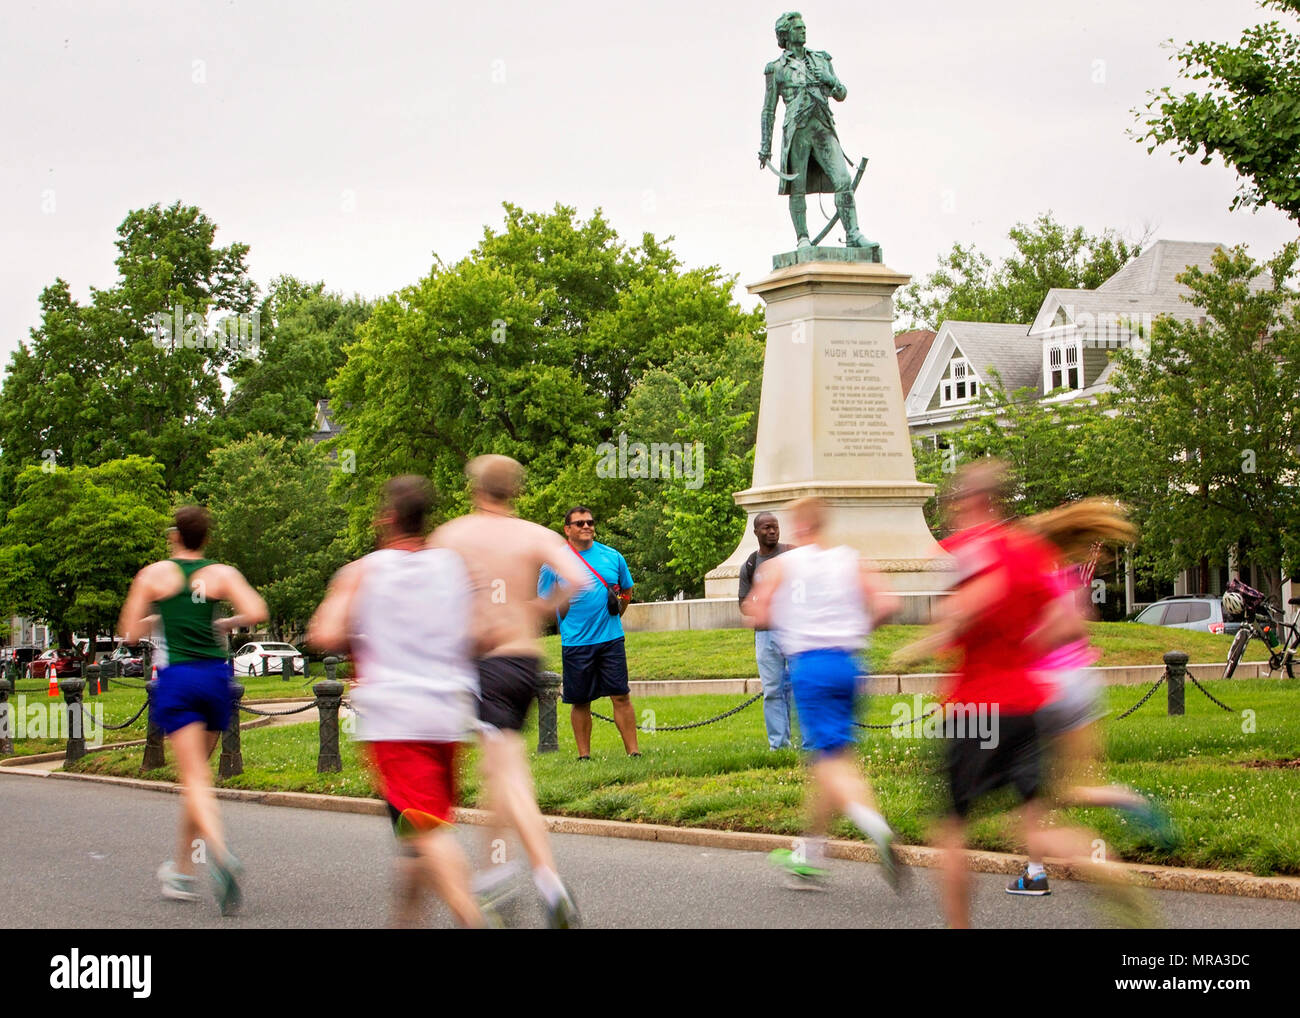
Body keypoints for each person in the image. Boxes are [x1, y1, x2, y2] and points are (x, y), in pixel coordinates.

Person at [894, 462, 1146, 928]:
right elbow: (1070, 623)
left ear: (972, 502)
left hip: (976, 711)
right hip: (1031, 707)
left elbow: (971, 605)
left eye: (955, 503)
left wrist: (929, 639)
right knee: (1030, 824)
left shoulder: (976, 548)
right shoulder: (1030, 552)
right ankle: (1103, 866)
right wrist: (1026, 645)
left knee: (949, 833)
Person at [307, 475, 485, 928]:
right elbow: (477, 631)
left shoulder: (363, 571)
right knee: (413, 834)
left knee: (425, 829)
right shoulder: (453, 566)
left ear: (387, 518)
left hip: (394, 719)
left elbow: (323, 634)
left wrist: (360, 626)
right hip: (449, 715)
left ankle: (474, 917)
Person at [430, 455, 591, 928]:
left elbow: (433, 597)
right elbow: (579, 579)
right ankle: (494, 872)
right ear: (514, 491)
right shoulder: (535, 534)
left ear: (474, 488)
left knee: (510, 775)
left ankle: (547, 878)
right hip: (524, 663)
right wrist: (537, 607)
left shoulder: (453, 535)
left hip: (483, 663)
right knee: (498, 769)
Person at [744, 496, 905, 890]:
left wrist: (789, 616)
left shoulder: (783, 565)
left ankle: (876, 826)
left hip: (810, 667)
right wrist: (856, 628)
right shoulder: (851, 559)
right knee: (832, 759)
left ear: (799, 526)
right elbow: (889, 603)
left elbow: (758, 613)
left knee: (831, 764)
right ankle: (809, 855)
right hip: (848, 663)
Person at [118, 506, 268, 915]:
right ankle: (182, 871)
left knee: (195, 778)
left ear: (175, 536)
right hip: (215, 678)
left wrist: (159, 617)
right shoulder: (221, 573)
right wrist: (221, 623)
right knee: (196, 777)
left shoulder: (154, 574)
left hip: (179, 680)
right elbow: (257, 612)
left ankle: (219, 852)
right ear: (206, 537)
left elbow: (128, 632)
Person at [759, 11, 875, 252]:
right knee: (797, 187)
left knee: (843, 180)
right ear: (785, 35)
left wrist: (830, 80)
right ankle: (803, 237)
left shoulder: (822, 60)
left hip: (823, 126)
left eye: (804, 27)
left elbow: (841, 94)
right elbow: (768, 110)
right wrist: (765, 147)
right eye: (797, 28)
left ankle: (852, 233)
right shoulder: (776, 69)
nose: (803, 30)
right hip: (797, 130)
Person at [537, 506, 639, 760]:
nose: (586, 527)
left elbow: (626, 590)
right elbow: (543, 602)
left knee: (621, 695)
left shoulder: (612, 556)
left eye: (590, 522)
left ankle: (634, 753)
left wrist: (617, 613)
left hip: (611, 639)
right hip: (576, 641)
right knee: (580, 700)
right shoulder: (554, 563)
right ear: (567, 529)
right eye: (580, 523)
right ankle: (584, 756)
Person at [738, 512, 795, 749]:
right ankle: (779, 745)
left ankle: (807, 743)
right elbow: (743, 604)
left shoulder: (794, 554)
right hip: (765, 635)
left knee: (798, 688)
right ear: (756, 532)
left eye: (775, 527)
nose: (772, 531)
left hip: (794, 632)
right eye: (767, 528)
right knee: (772, 691)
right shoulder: (750, 565)